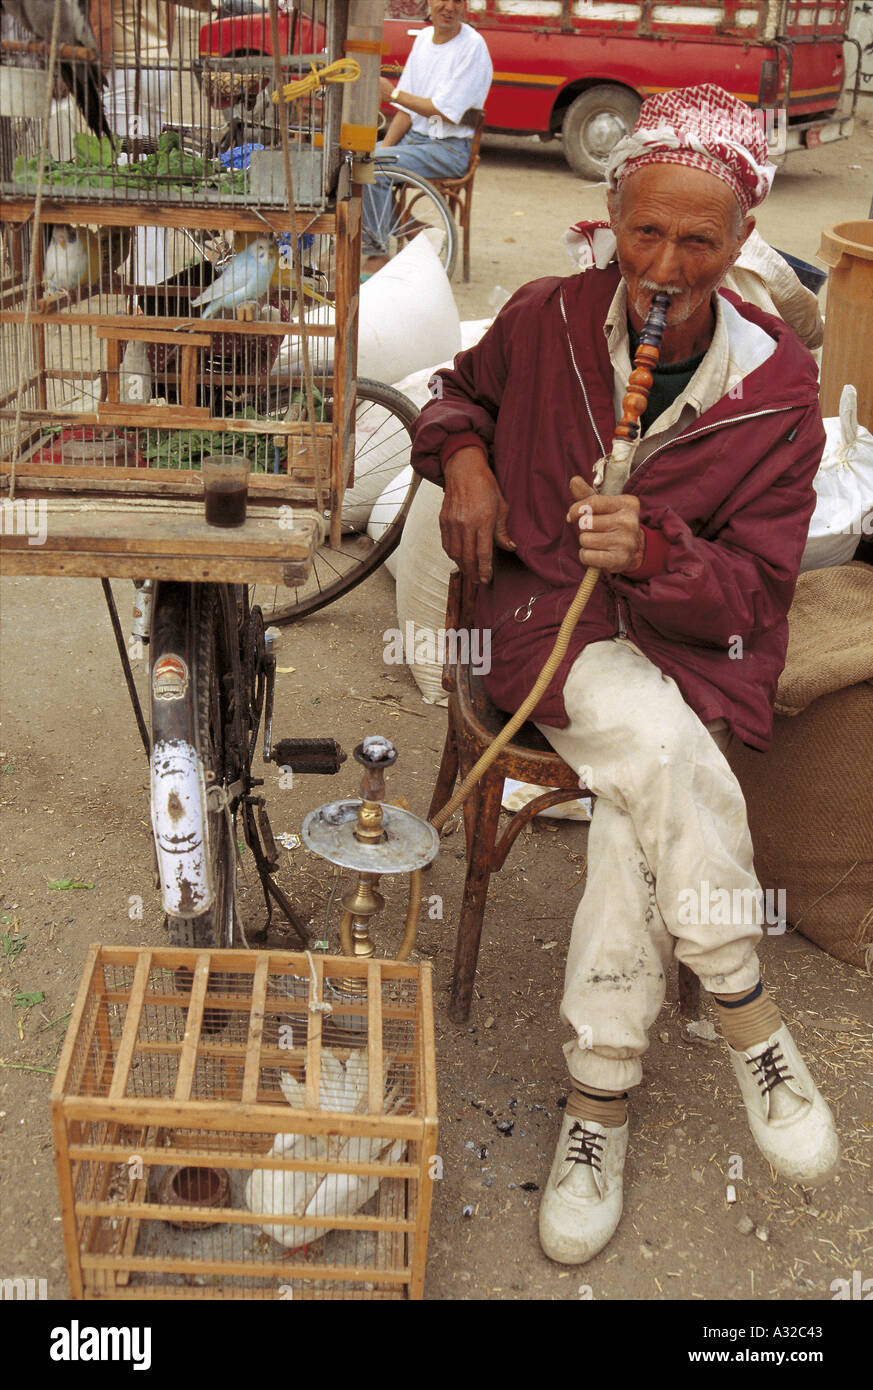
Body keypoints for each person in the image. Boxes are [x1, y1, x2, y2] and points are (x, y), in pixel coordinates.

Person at [411, 84, 840, 1265]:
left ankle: (597, 1103)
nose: (663, 263)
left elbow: (756, 600)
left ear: (744, 241)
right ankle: (748, 1012)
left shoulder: (778, 393)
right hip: (547, 622)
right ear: (611, 213)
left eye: (698, 239)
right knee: (646, 744)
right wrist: (465, 466)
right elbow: (454, 396)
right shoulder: (548, 317)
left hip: (690, 657)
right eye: (643, 230)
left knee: (635, 803)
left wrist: (660, 553)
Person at [361, 0, 492, 272]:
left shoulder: (473, 46)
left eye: (457, 0)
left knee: (373, 167)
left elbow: (445, 111)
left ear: (465, 5)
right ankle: (419, 233)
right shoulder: (423, 39)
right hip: (415, 142)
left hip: (449, 149)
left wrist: (393, 94)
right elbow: (406, 112)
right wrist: (381, 149)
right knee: (356, 161)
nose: (449, 7)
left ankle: (377, 256)